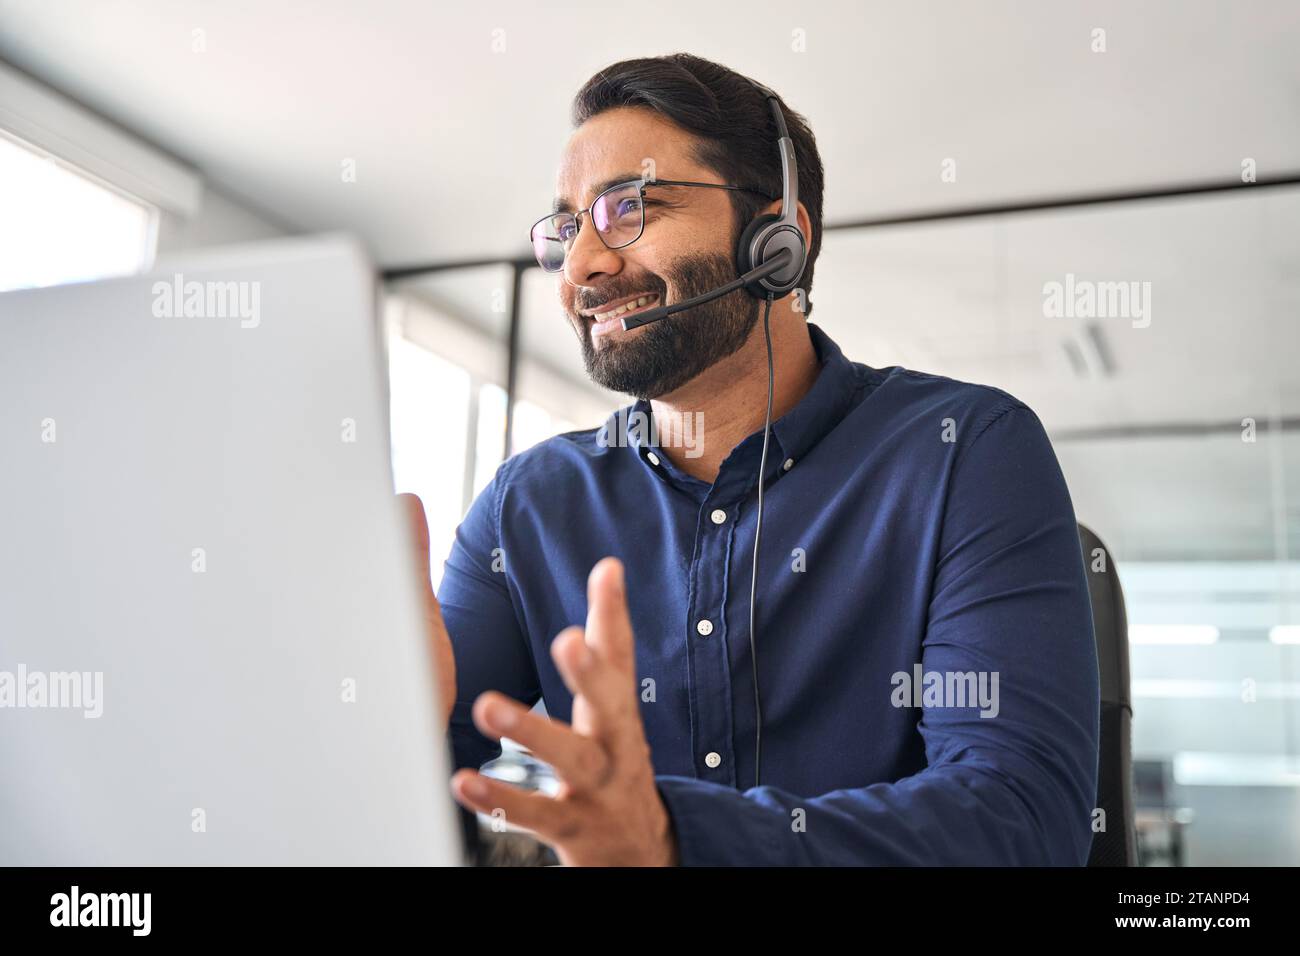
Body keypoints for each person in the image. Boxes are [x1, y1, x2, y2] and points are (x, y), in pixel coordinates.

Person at [411, 53, 1100, 866]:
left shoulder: (964, 453)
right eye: (566, 230)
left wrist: (672, 839)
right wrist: (392, 733)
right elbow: (410, 802)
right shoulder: (527, 505)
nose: (582, 265)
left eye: (630, 207)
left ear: (778, 240)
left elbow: (1020, 819)